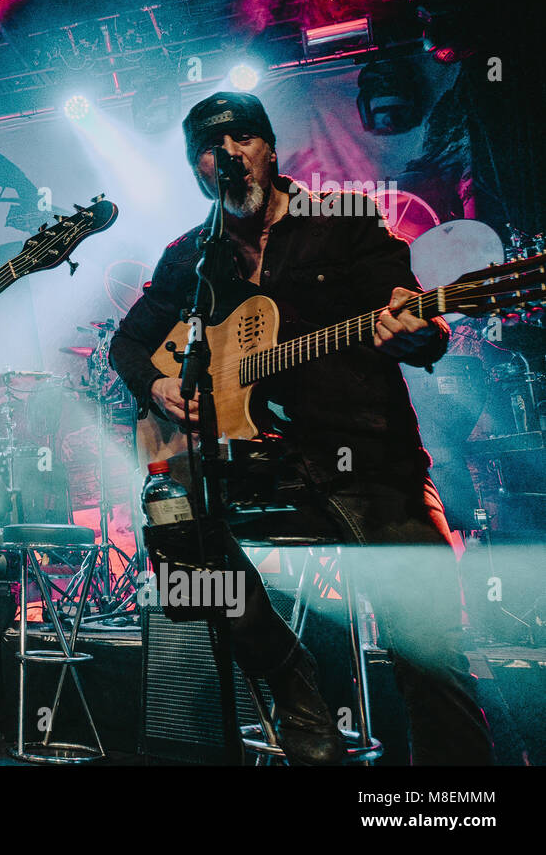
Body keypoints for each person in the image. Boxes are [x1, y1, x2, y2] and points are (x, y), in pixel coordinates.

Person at [110, 91, 492, 765]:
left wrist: (419, 331)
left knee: (428, 653)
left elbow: (407, 307)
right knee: (174, 538)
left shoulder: (340, 221)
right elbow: (128, 346)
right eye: (208, 147)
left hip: (364, 460)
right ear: (196, 168)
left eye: (242, 139)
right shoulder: (190, 255)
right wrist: (159, 384)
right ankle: (292, 680)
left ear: (269, 150)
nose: (226, 155)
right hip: (254, 470)